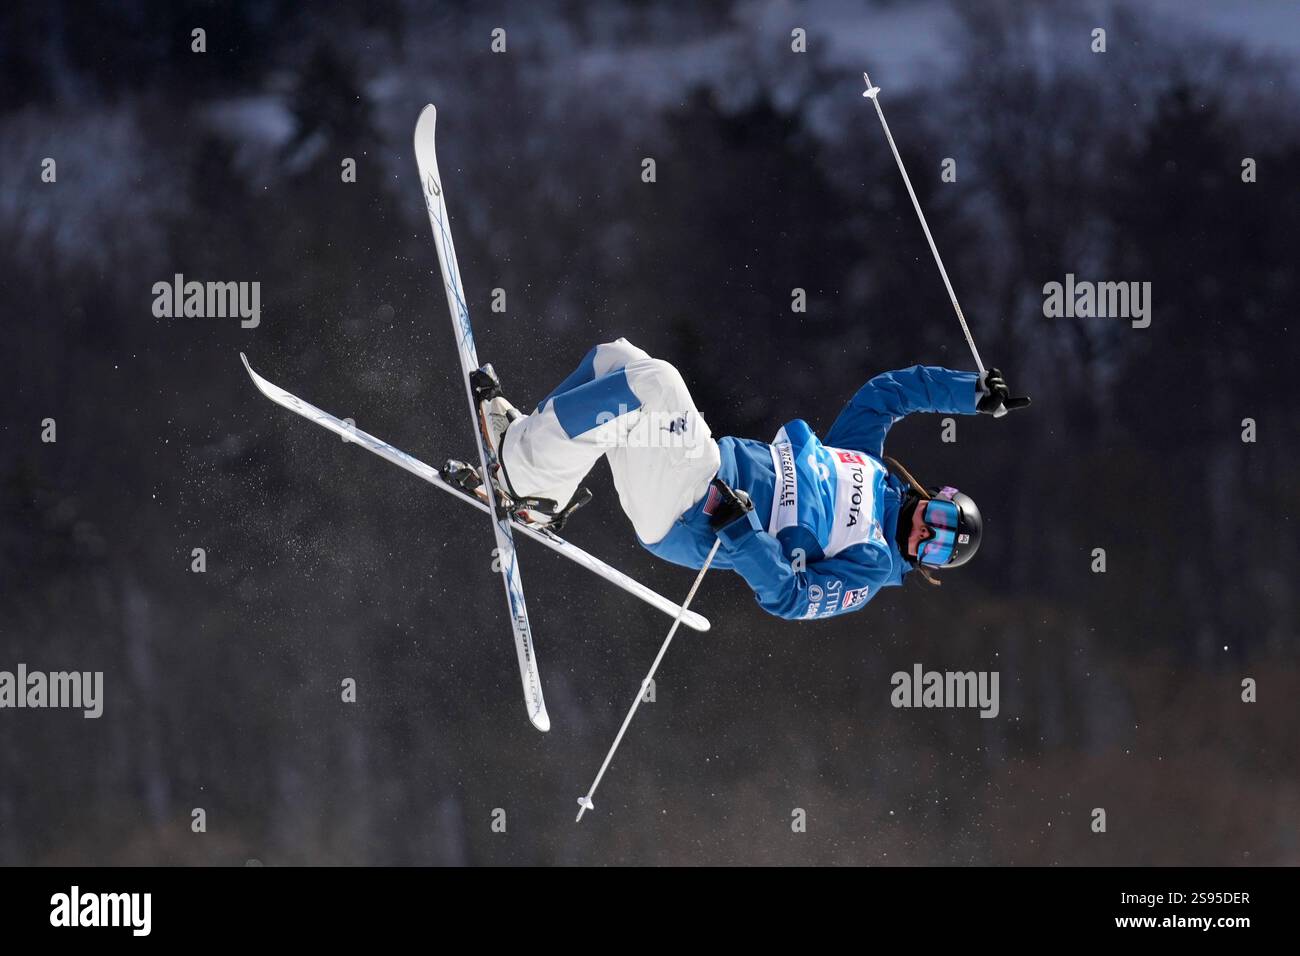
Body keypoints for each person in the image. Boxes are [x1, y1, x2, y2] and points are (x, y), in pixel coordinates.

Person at [468, 338, 1029, 620]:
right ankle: (534, 468)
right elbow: (887, 395)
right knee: (617, 358)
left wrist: (741, 533)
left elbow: (789, 596)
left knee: (657, 384)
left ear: (926, 568)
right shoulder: (870, 466)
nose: (923, 536)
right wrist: (970, 394)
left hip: (698, 512)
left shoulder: (873, 565)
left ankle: (526, 475)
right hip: (702, 463)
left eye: (933, 550)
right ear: (936, 498)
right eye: (937, 521)